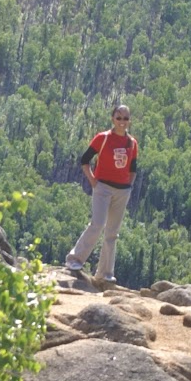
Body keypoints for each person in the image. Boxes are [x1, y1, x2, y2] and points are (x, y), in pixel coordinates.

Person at [65, 104, 138, 282]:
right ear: (112, 119)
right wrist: (93, 181)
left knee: (112, 233)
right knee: (97, 224)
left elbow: (133, 167)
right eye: (119, 118)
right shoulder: (103, 138)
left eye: (126, 118)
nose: (122, 122)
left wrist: (129, 185)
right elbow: (85, 160)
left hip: (122, 191)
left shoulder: (132, 143)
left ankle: (105, 274)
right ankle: (74, 259)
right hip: (103, 188)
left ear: (130, 121)